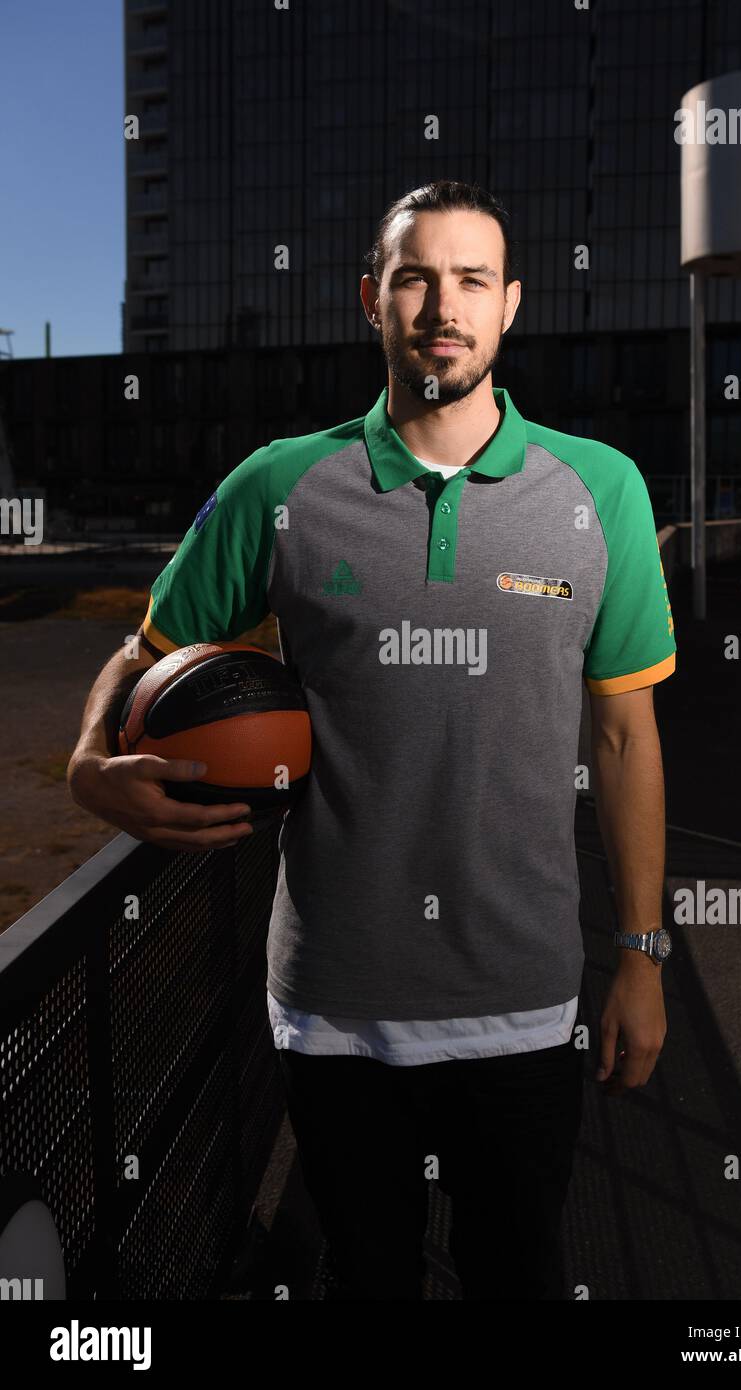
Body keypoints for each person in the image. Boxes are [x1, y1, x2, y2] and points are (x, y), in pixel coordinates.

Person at [67, 179, 676, 1301]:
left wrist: (639, 955)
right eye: (413, 277)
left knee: (518, 1277)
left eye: (470, 280)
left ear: (509, 308)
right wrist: (89, 760)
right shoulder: (280, 484)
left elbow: (626, 738)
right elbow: (148, 644)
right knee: (366, 1278)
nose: (442, 304)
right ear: (371, 300)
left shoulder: (602, 491)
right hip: (334, 1001)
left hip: (522, 994)